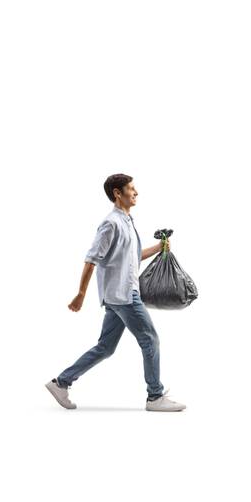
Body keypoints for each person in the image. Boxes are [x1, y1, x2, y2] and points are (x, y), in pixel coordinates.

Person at [45, 174, 185, 412]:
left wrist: (159, 248)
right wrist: (81, 294)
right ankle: (155, 396)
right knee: (150, 339)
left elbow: (131, 257)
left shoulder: (127, 222)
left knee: (106, 347)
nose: (136, 192)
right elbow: (91, 259)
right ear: (117, 193)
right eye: (131, 188)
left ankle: (61, 382)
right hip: (123, 296)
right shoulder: (111, 223)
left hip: (118, 295)